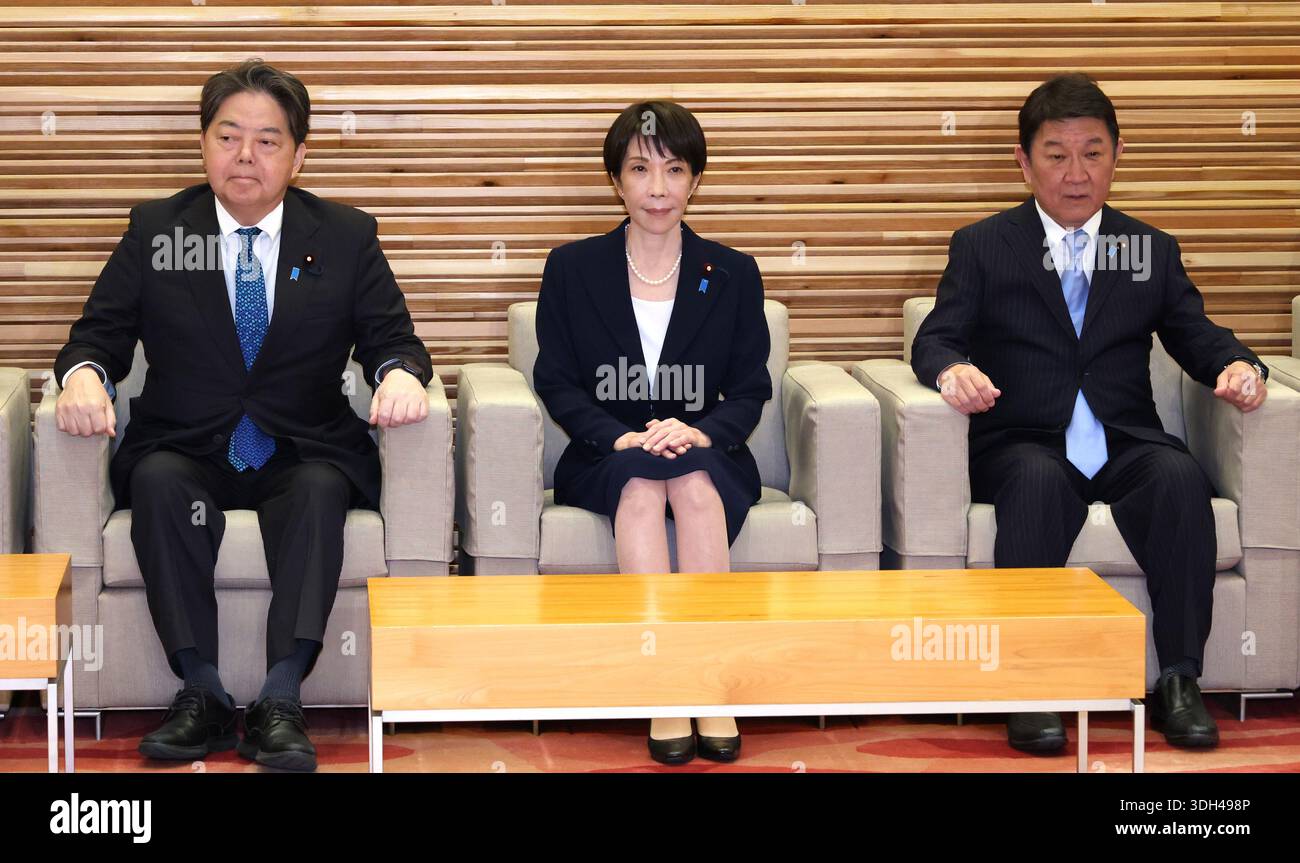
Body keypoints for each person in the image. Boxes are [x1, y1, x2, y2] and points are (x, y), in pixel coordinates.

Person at [52, 59, 432, 771]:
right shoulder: (159, 228)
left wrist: (401, 376)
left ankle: (281, 699)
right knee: (158, 482)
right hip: (188, 447)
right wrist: (82, 378)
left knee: (321, 489)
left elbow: (395, 340)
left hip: (299, 449)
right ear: (203, 144)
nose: (245, 156)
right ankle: (202, 694)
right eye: (228, 137)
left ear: (299, 153)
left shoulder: (345, 235)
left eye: (267, 140)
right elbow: (95, 335)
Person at [911, 72, 1267, 754]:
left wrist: (1241, 364)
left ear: (1118, 153)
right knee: (1037, 486)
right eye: (1056, 153)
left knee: (1180, 479)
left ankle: (1178, 681)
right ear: (1023, 160)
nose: (1076, 173)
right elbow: (937, 335)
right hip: (1024, 438)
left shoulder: (1148, 249)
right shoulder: (984, 246)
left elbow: (1195, 332)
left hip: (1124, 437)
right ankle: (1031, 685)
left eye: (1093, 152)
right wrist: (951, 369)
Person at [532, 100, 772, 765]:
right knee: (641, 485)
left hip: (706, 449)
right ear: (617, 180)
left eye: (674, 170)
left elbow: (752, 386)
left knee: (693, 486)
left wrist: (700, 433)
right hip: (606, 451)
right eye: (641, 170)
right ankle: (665, 682)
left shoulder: (732, 272)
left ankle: (710, 681)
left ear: (695, 180)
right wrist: (617, 437)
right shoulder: (573, 268)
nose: (658, 189)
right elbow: (557, 380)